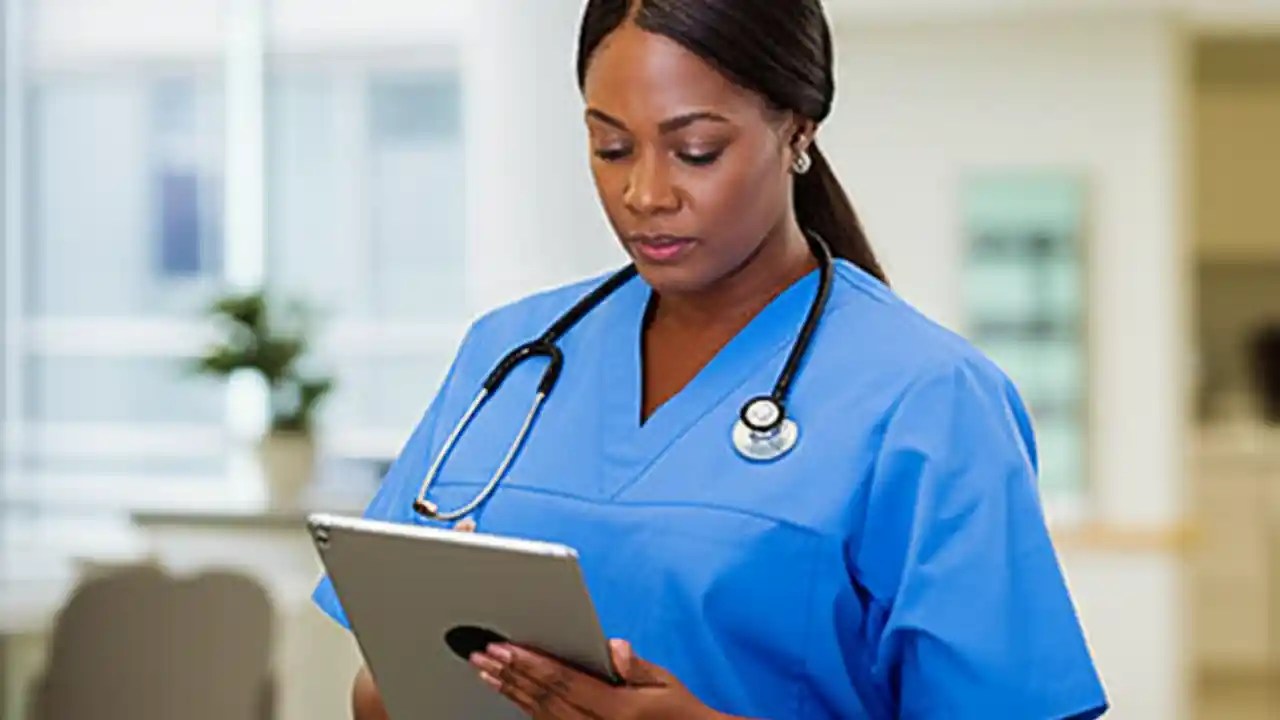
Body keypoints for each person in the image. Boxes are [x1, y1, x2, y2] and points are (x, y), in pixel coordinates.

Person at [313, 0, 1109, 717]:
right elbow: (376, 685)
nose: (646, 194)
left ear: (798, 130)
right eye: (611, 147)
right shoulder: (510, 357)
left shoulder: (930, 399)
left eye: (695, 151)